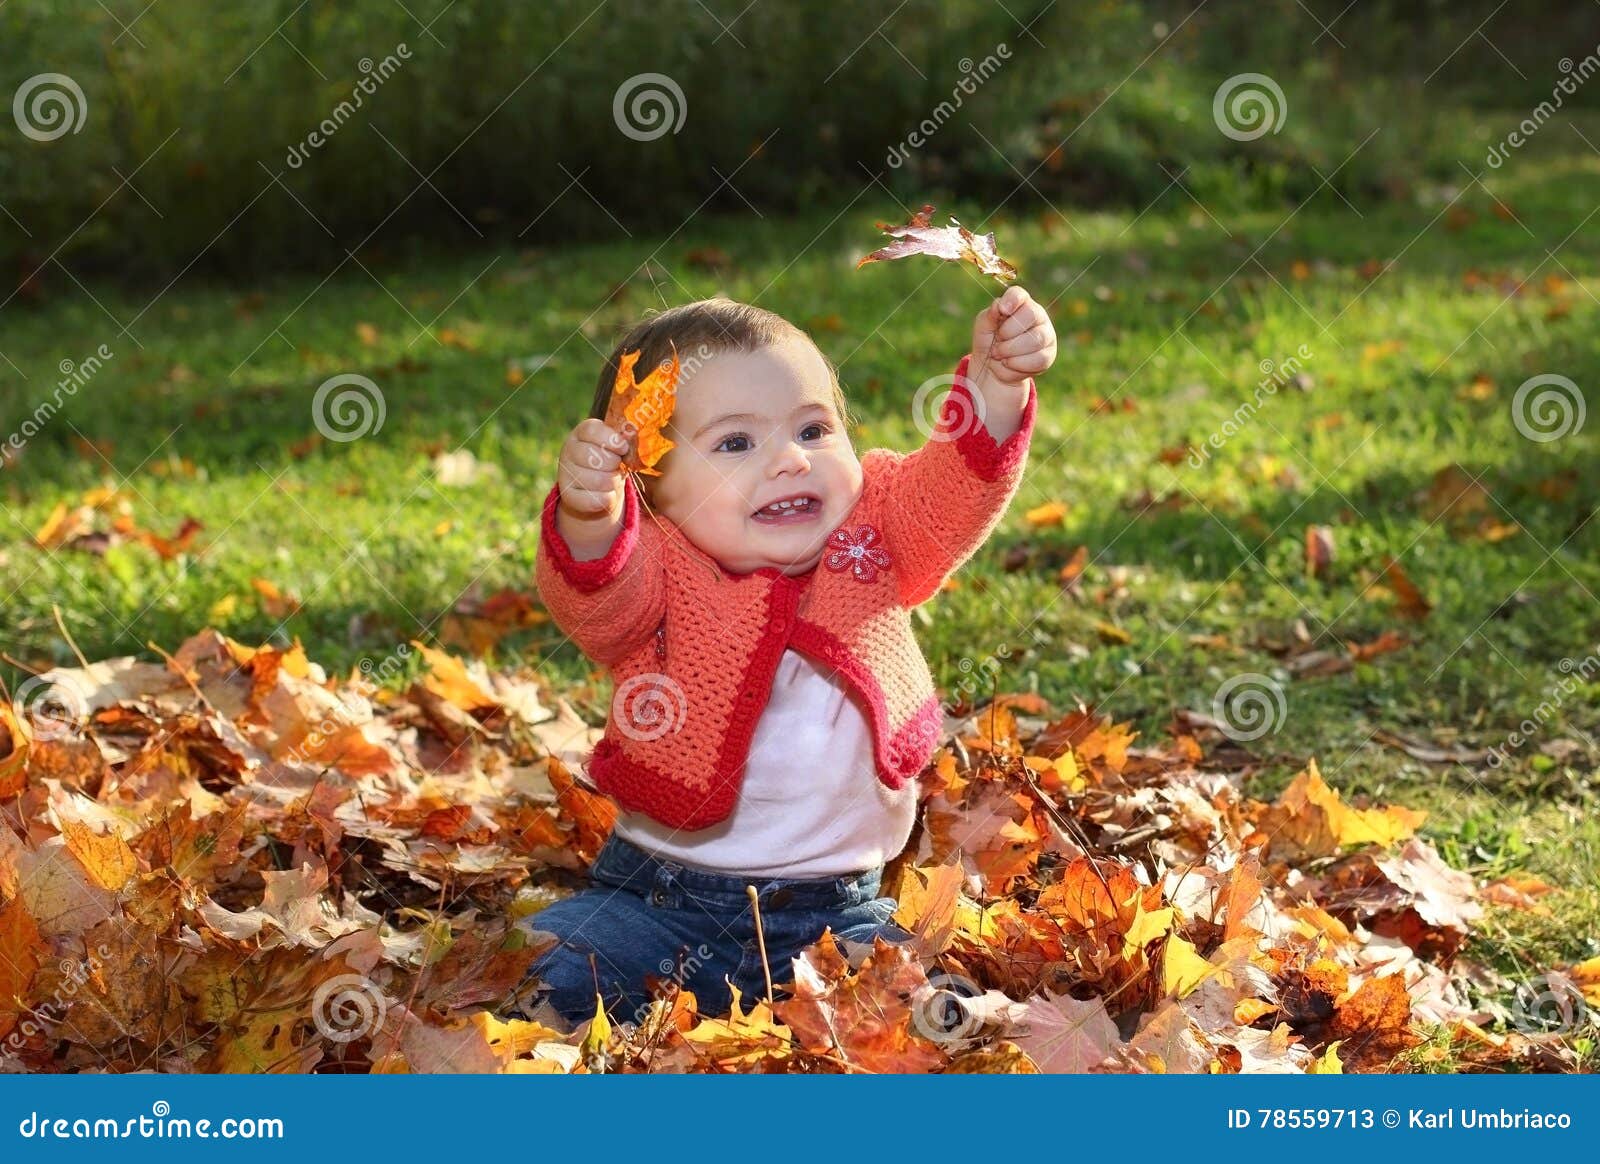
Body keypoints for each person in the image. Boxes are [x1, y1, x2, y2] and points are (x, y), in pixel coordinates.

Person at [510, 286, 1056, 1026]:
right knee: (546, 975)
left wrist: (996, 385)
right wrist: (591, 516)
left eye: (813, 429)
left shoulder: (877, 531)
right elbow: (597, 603)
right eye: (737, 443)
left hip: (835, 919)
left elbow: (953, 491)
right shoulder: (659, 564)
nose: (790, 462)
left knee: (929, 1012)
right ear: (651, 488)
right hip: (658, 903)